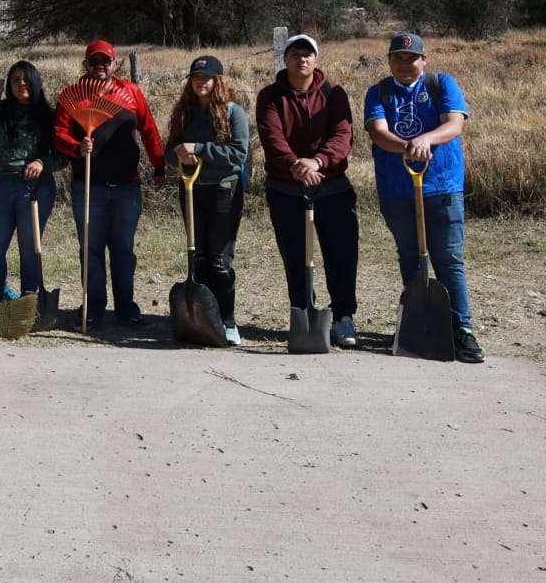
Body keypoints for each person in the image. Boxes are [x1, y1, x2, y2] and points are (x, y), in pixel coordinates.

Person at [363, 33, 484, 363]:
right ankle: (420, 324)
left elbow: (454, 124)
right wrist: (407, 146)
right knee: (411, 256)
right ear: (389, 61)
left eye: (412, 58)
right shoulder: (379, 91)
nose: (405, 64)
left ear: (423, 60)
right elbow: (378, 131)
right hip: (396, 190)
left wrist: (425, 140)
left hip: (442, 187)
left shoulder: (441, 84)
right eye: (398, 58)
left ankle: (463, 331)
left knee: (448, 259)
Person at [255, 34, 360, 348]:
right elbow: (272, 138)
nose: (302, 59)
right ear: (285, 59)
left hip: (332, 187)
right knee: (296, 255)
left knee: (341, 254)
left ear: (316, 60)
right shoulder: (270, 96)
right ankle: (303, 311)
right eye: (295, 54)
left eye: (308, 54)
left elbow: (343, 136)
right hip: (285, 188)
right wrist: (296, 166)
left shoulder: (334, 93)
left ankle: (343, 316)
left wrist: (317, 162)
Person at [53, 40, 166, 329]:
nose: (100, 66)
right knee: (90, 249)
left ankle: (126, 307)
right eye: (94, 62)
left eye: (106, 61)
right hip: (89, 186)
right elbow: (59, 134)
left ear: (115, 64)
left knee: (123, 249)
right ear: (85, 65)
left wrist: (159, 166)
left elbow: (149, 129)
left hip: (127, 186)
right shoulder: (72, 96)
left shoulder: (131, 93)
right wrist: (77, 146)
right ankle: (93, 308)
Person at [164, 55, 250, 346]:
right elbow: (169, 150)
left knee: (219, 260)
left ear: (218, 81)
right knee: (197, 255)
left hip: (224, 190)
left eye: (207, 77)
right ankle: (201, 320)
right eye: (196, 77)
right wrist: (180, 155)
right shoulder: (184, 112)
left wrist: (199, 149)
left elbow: (238, 153)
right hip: (191, 189)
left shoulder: (233, 112)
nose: (201, 82)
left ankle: (227, 321)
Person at [0, 61, 66, 306]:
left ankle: (28, 299)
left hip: (35, 190)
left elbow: (64, 155)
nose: (21, 84)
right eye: (15, 79)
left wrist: (42, 163)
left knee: (29, 248)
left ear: (35, 82)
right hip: (2, 187)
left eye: (26, 79)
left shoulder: (48, 115)